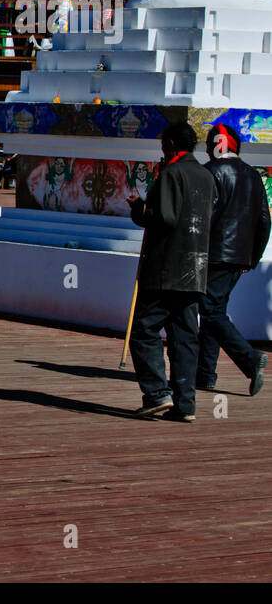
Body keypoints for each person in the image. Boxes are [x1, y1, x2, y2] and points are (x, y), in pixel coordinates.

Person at [126, 120, 215, 422]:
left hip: (165, 269)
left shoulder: (170, 174)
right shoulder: (206, 176)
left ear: (172, 146)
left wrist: (139, 208)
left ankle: (156, 393)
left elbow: (163, 218)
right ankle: (185, 404)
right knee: (184, 337)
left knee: (144, 331)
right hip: (195, 268)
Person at [198, 125, 271, 396]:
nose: (207, 150)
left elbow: (204, 217)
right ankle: (205, 375)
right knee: (214, 311)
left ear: (217, 146)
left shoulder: (210, 173)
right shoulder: (253, 175)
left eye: (208, 145)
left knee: (210, 311)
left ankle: (249, 359)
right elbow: (265, 220)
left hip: (213, 254)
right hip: (238, 257)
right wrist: (253, 256)